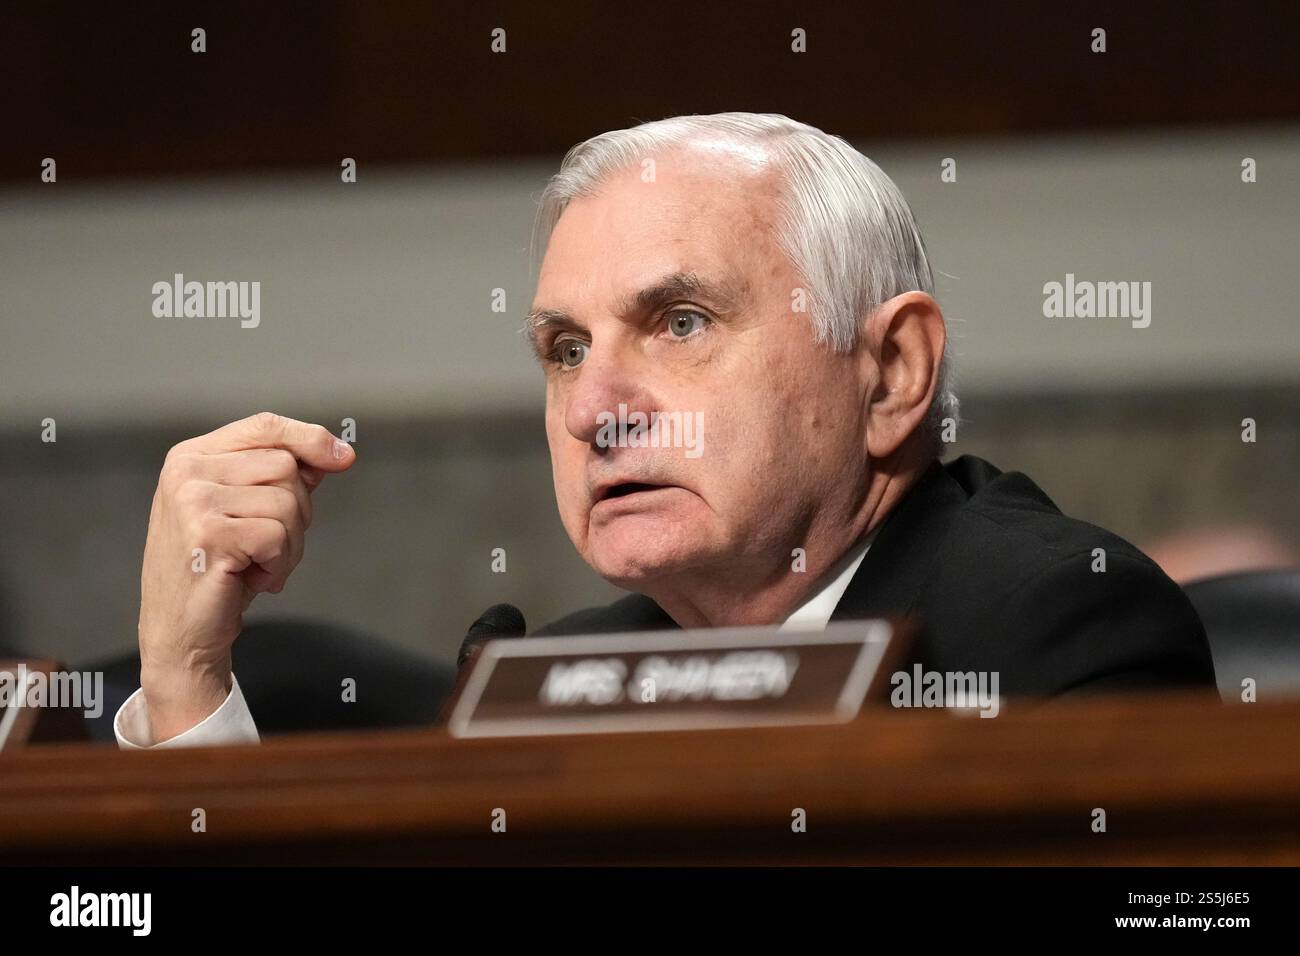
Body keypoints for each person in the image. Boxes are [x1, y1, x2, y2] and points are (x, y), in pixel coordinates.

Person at [114, 113, 1214, 749]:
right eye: (563, 349)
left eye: (679, 322)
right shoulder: (562, 670)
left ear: (890, 374)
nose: (594, 410)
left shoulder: (1057, 629)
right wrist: (190, 683)